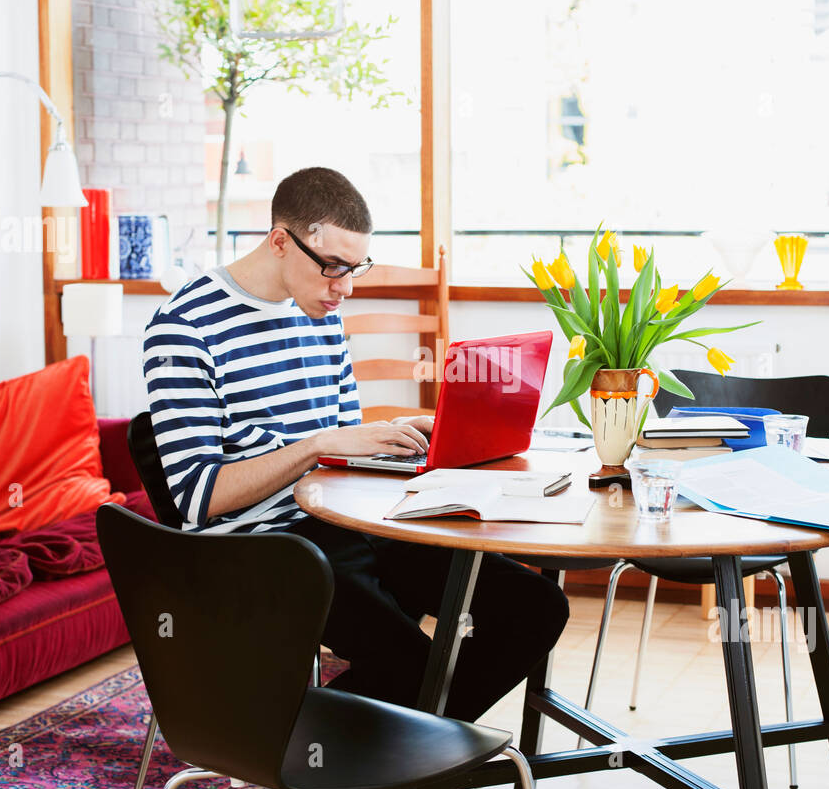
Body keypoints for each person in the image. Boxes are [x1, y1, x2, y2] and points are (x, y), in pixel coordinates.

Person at [141, 166, 568, 722]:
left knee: (535, 607)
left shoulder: (321, 315)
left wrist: (404, 437)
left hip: (347, 524)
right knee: (414, 660)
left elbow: (344, 451)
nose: (345, 287)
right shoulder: (184, 328)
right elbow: (198, 499)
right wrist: (318, 446)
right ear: (279, 241)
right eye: (334, 268)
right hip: (261, 550)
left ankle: (390, 754)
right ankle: (346, 755)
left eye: (355, 268)